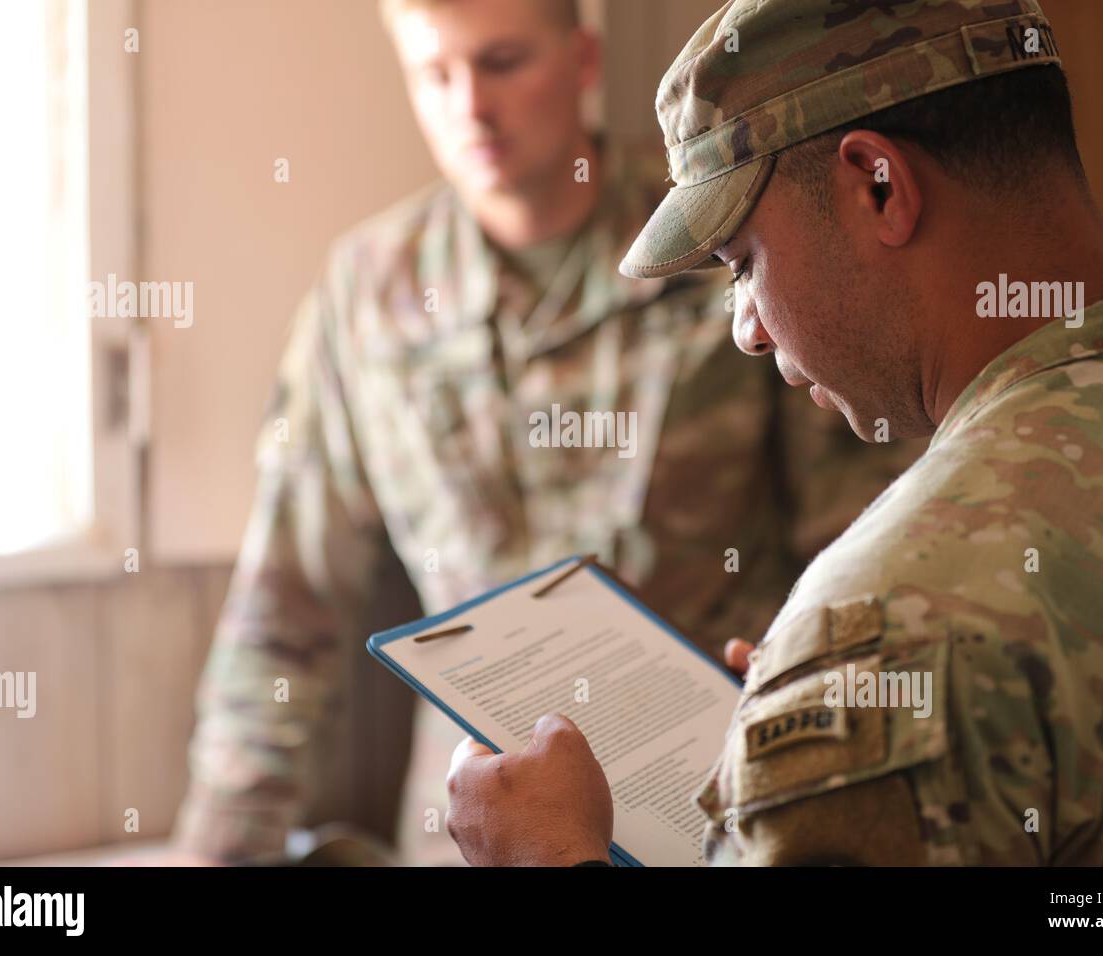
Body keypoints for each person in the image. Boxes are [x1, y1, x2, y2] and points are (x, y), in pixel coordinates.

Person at [444, 0, 1103, 866]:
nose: (746, 327)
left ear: (878, 186)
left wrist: (551, 855)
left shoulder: (888, 629)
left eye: (743, 262)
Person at [171, 0, 924, 864]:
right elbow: (284, 612)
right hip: (467, 828)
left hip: (705, 816)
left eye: (501, 63)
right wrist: (216, 852)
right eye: (436, 74)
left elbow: (858, 550)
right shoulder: (369, 295)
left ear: (582, 61)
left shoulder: (718, 244)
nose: (471, 108)